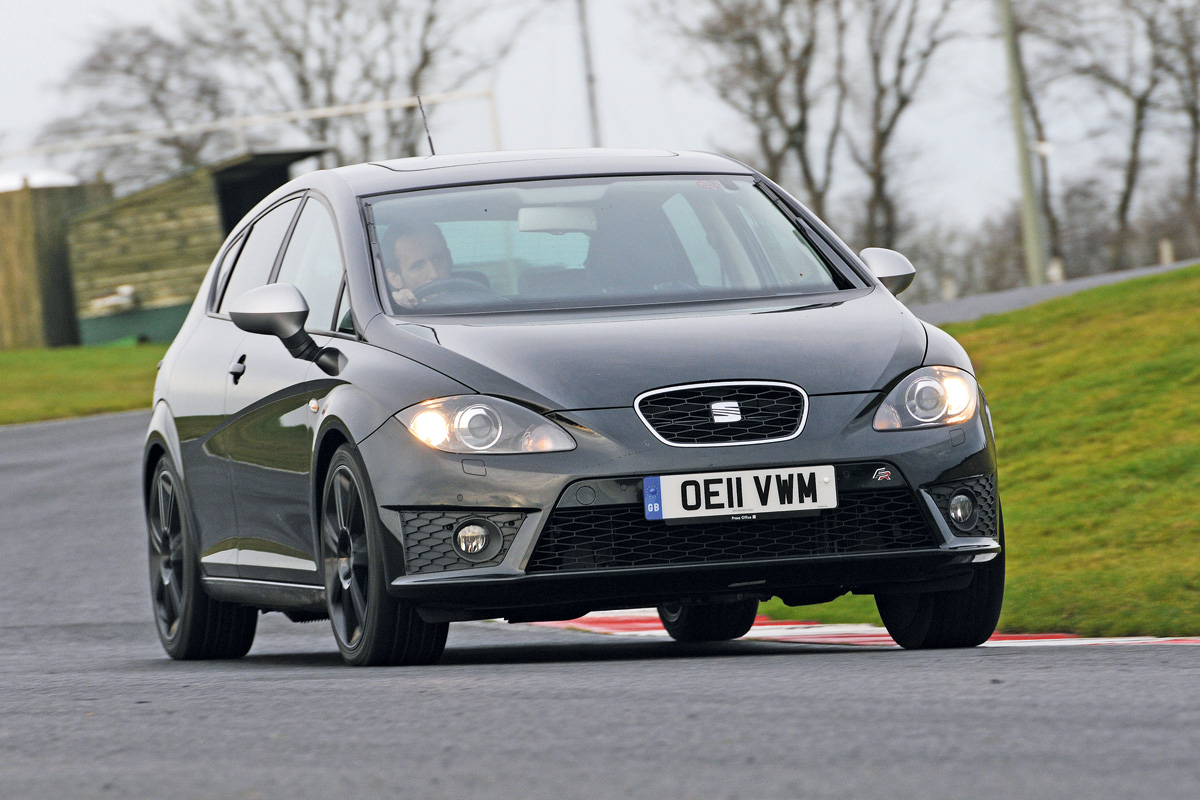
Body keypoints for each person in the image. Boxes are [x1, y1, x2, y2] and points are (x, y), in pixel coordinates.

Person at [382, 222, 453, 309]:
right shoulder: (390, 318)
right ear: (394, 278)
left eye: (439, 259)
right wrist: (398, 309)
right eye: (418, 266)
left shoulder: (473, 299)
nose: (434, 274)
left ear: (449, 259)